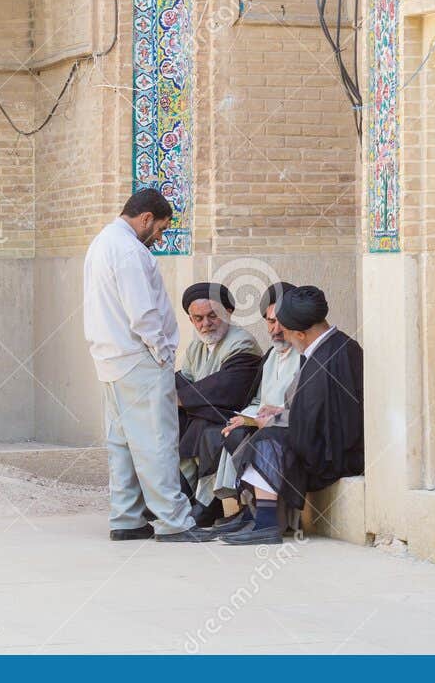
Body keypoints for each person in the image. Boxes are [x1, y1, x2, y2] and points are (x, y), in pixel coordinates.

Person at [81, 188, 204, 543]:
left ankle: (127, 518)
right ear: (146, 218)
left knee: (122, 441)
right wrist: (163, 351)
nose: (160, 237)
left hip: (111, 358)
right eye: (161, 229)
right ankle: (173, 521)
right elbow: (142, 312)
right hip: (139, 358)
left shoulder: (102, 243)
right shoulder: (129, 250)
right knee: (156, 441)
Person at [210, 285, 363, 546]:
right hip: (326, 440)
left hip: (336, 453)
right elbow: (314, 411)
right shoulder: (330, 347)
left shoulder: (328, 357)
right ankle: (254, 514)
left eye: (288, 333)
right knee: (254, 434)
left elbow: (317, 420)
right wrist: (283, 412)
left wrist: (269, 422)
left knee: (267, 439)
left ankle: (267, 522)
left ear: (300, 334)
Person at [199, 282, 301, 513]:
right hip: (260, 419)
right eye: (270, 321)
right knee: (220, 430)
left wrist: (256, 421)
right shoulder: (271, 356)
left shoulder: (303, 356)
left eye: (281, 322)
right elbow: (257, 401)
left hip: (285, 425)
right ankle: (239, 509)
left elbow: (301, 407)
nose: (276, 330)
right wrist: (246, 417)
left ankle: (260, 516)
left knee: (244, 435)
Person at [174, 281, 264, 521]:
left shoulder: (241, 342)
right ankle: (183, 496)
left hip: (235, 415)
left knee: (205, 424)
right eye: (198, 318)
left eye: (213, 315)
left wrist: (183, 398)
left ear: (229, 312)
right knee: (172, 419)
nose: (206, 324)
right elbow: (183, 381)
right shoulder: (196, 347)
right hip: (207, 413)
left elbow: (228, 389)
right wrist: (180, 396)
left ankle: (206, 504)